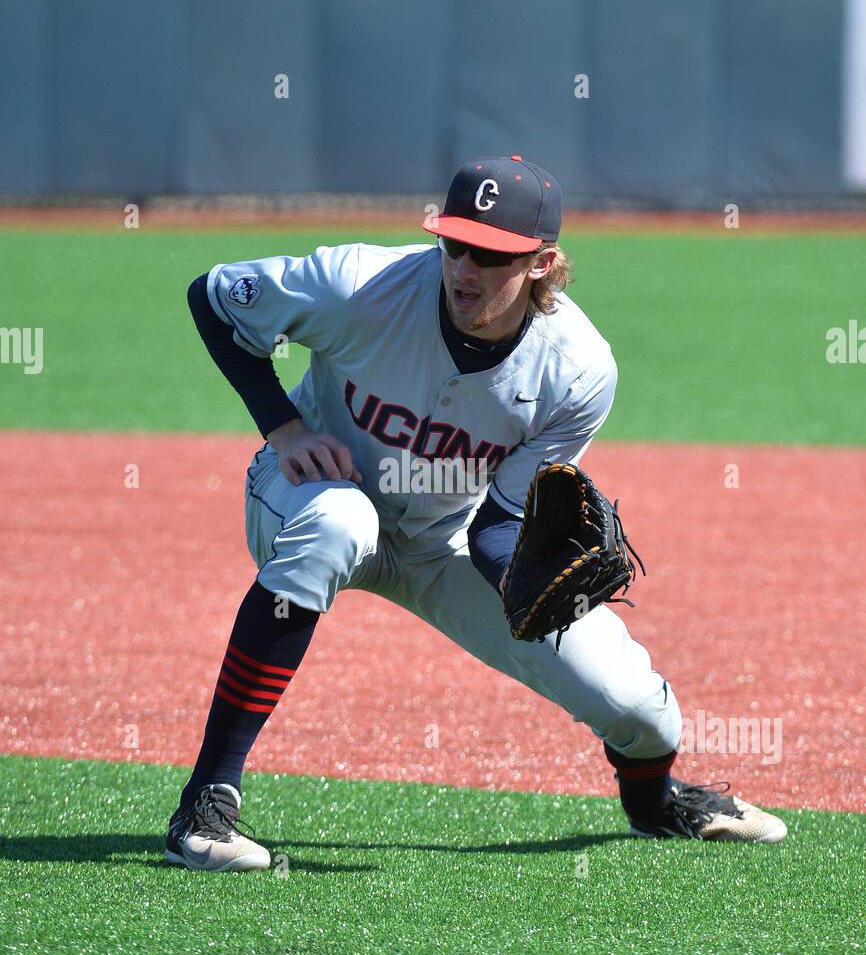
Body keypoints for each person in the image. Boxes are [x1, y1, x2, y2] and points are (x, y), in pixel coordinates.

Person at [166, 155, 786, 871]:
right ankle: (205, 805)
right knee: (340, 525)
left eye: (491, 254)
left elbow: (498, 522)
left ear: (542, 262)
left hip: (444, 538)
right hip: (308, 496)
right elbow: (212, 297)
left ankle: (654, 804)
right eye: (453, 243)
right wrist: (285, 428)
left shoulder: (578, 369)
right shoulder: (358, 284)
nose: (463, 266)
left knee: (639, 708)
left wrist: (536, 585)